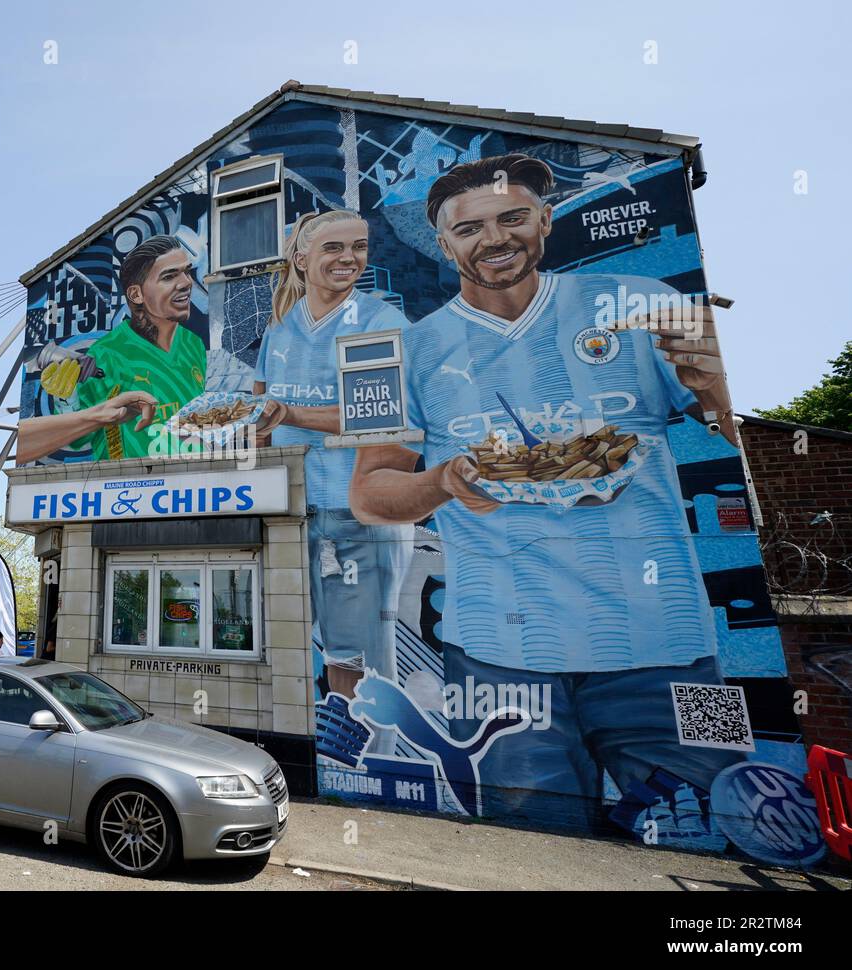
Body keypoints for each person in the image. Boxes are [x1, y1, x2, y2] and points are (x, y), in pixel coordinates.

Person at [349, 153, 744, 826]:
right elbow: (369, 492)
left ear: (546, 221)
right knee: (533, 848)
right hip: (499, 663)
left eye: (512, 218)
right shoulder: (390, 355)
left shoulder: (645, 305)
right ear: (444, 246)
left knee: (713, 831)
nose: (494, 239)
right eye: (469, 230)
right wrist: (441, 480)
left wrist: (714, 388)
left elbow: (737, 441)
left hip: (671, 648)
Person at [253, 210, 414, 754]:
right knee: (297, 640)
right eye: (334, 249)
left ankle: (372, 760)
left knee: (359, 648)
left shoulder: (378, 320)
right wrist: (248, 431)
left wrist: (288, 413)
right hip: (293, 508)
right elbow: (259, 407)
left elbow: (380, 414)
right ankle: (324, 749)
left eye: (359, 247)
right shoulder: (278, 331)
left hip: (359, 506)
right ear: (301, 259)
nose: (350, 259)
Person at [18, 235, 206, 464]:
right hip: (128, 488)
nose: (186, 282)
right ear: (136, 294)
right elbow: (78, 439)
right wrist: (66, 400)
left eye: (186, 271)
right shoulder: (106, 354)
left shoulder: (193, 344)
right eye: (169, 276)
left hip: (196, 485)